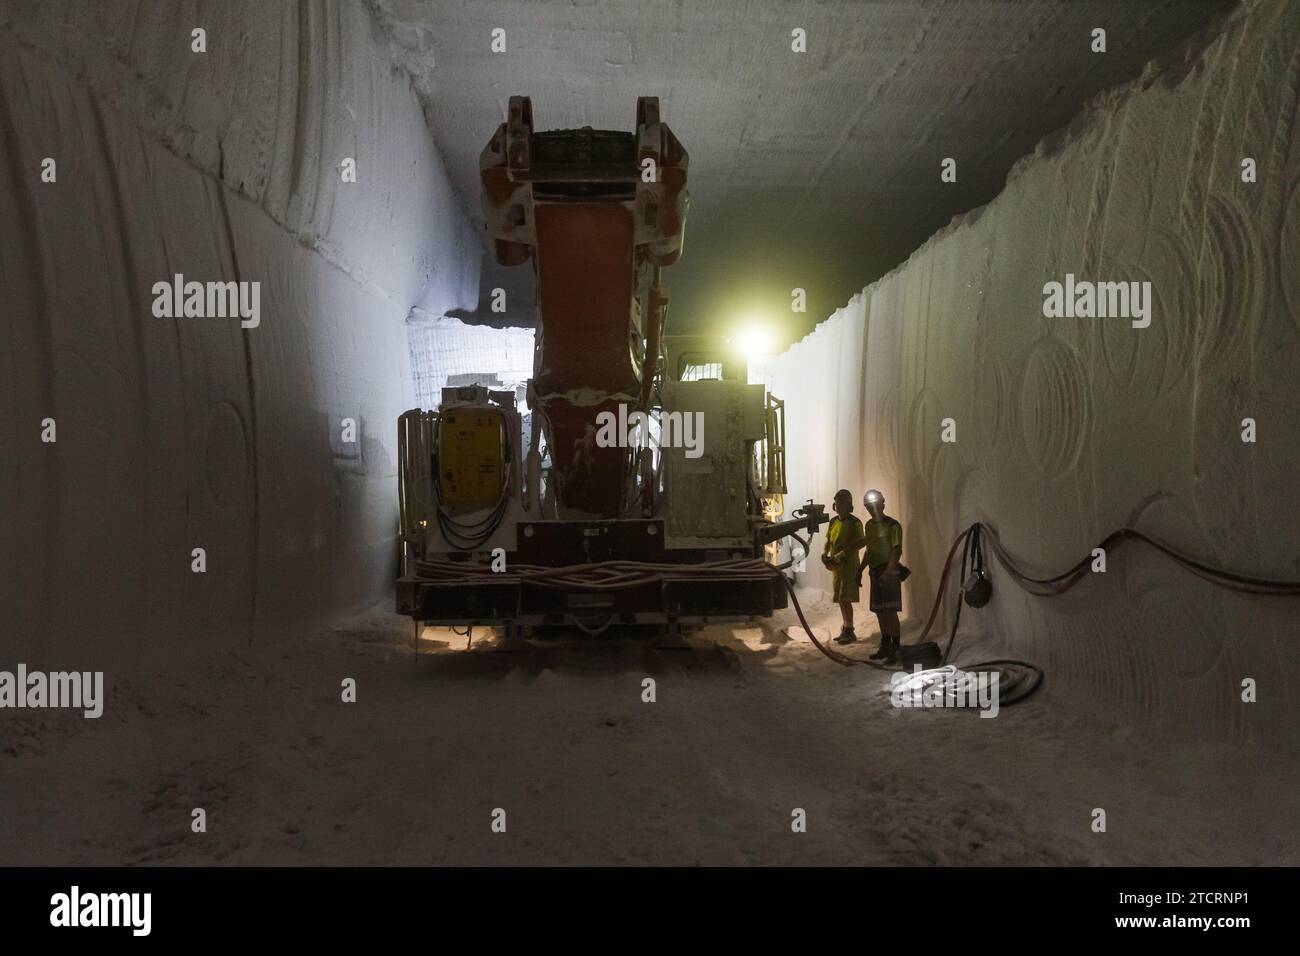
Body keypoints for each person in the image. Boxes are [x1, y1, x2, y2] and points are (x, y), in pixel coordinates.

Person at [856, 489, 904, 663]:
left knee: (890, 611)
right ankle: (885, 644)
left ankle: (895, 648)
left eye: (875, 504)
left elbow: (897, 550)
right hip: (875, 572)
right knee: (880, 611)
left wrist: (889, 571)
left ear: (883, 504)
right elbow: (869, 550)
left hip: (889, 573)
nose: (872, 508)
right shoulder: (869, 526)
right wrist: (860, 570)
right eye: (868, 506)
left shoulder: (893, 525)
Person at [822, 489, 866, 644]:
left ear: (849, 505)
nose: (838, 505)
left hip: (849, 566)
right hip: (837, 567)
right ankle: (846, 627)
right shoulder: (833, 522)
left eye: (842, 502)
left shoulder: (855, 523)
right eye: (837, 502)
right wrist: (825, 554)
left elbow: (862, 541)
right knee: (840, 598)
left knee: (845, 598)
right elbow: (829, 540)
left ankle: (850, 629)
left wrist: (844, 553)